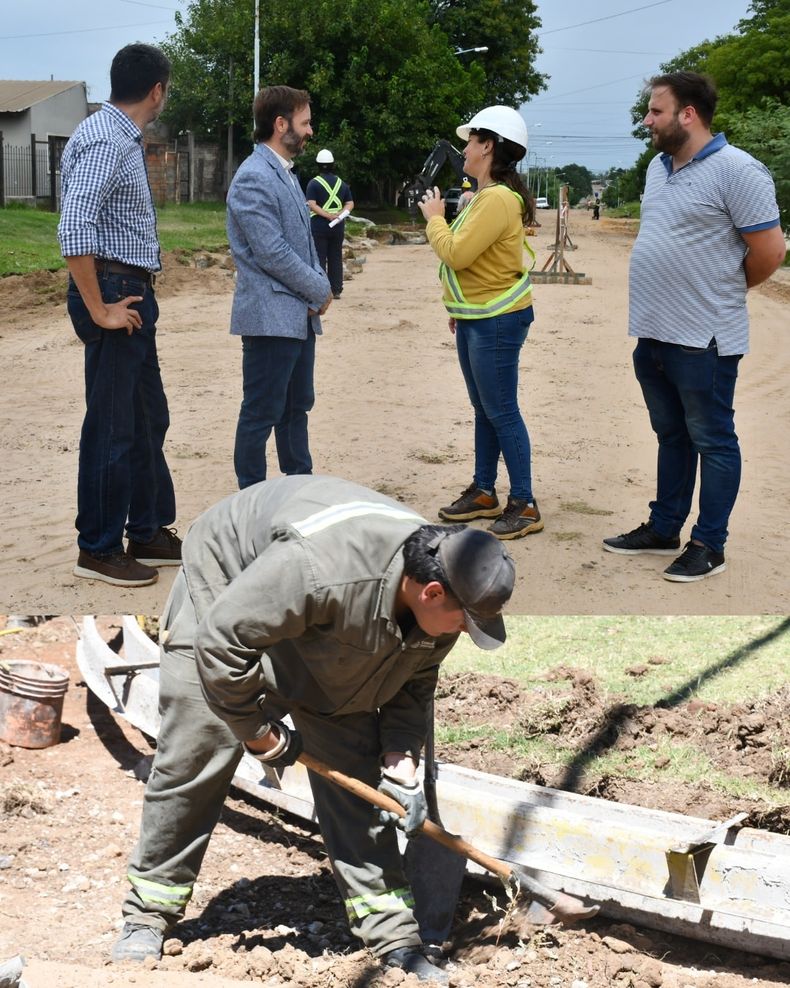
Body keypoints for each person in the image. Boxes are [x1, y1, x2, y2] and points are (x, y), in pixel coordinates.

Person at [110, 475, 522, 984]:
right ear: (432, 591)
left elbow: (413, 685)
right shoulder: (321, 569)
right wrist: (256, 733)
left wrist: (401, 760)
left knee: (357, 775)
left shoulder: (444, 592)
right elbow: (222, 641)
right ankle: (148, 914)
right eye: (464, 621)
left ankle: (394, 935)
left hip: (330, 616)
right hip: (230, 585)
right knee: (200, 746)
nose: (465, 630)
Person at [603, 72, 786, 582]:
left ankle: (710, 544)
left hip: (704, 339)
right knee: (671, 435)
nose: (647, 120)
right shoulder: (657, 169)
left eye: (655, 111)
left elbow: (770, 252)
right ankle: (664, 529)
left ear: (688, 114)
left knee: (713, 439)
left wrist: (720, 290)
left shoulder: (739, 170)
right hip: (654, 333)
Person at [57, 43, 181, 588]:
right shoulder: (109, 138)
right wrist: (99, 308)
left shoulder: (109, 133)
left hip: (125, 288)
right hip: (115, 290)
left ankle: (147, 529)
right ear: (157, 90)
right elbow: (74, 229)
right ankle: (100, 548)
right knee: (113, 426)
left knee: (147, 417)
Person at [418, 106, 541, 540]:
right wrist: (460, 307)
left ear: (488, 146)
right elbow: (476, 262)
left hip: (496, 321)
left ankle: (524, 503)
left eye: (471, 140)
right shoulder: (486, 196)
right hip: (478, 316)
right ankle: (485, 490)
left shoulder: (497, 199)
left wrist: (434, 216)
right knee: (485, 409)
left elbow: (456, 253)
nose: (465, 149)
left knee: (502, 410)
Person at [227, 86, 332, 491]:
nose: (310, 131)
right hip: (270, 319)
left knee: (296, 407)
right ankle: (251, 498)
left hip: (296, 317)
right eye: (304, 123)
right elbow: (272, 253)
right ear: (280, 124)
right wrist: (320, 289)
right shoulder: (253, 177)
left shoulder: (285, 173)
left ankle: (299, 488)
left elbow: (300, 246)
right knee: (261, 412)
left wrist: (313, 293)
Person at [306, 148, 354, 298]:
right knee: (335, 256)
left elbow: (312, 204)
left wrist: (327, 215)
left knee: (319, 256)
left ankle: (322, 289)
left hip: (319, 225)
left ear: (318, 165)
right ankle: (336, 289)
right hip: (338, 225)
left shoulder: (313, 184)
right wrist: (339, 215)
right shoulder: (342, 184)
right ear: (333, 164)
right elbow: (350, 203)